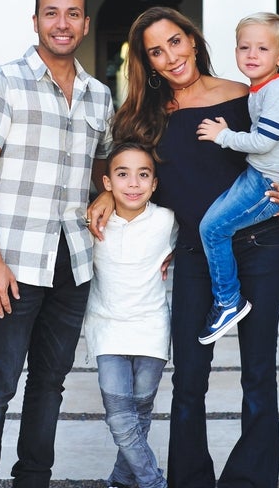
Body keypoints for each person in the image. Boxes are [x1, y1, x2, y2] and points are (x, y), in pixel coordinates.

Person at [86, 6, 279, 488]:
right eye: (156, 51)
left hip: (258, 249)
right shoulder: (142, 116)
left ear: (192, 40)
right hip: (195, 255)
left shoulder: (246, 97)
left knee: (258, 375)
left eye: (175, 41)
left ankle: (249, 482)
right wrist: (106, 194)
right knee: (189, 379)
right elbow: (121, 169)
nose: (170, 56)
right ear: (147, 63)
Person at [0, 0, 114, 488]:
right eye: (52, 13)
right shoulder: (2, 82)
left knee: (50, 383)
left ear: (85, 24)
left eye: (72, 14)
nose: (62, 23)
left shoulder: (98, 96)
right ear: (36, 21)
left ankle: (33, 480)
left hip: (74, 260)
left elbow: (100, 169)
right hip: (14, 262)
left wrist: (108, 193)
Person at [195, 13, 279, 344]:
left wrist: (222, 136)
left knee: (213, 228)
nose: (251, 54)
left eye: (262, 48)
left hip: (270, 182)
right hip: (259, 172)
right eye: (244, 47)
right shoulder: (260, 89)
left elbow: (263, 142)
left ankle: (228, 301)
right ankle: (228, 299)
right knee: (212, 223)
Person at [84, 142, 177, 488]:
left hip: (151, 329)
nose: (134, 183)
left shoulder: (167, 220)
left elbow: (195, 244)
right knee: (120, 418)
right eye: (123, 174)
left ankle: (122, 480)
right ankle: (153, 482)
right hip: (107, 328)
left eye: (143, 175)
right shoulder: (93, 222)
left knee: (140, 411)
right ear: (107, 183)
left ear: (154, 183)